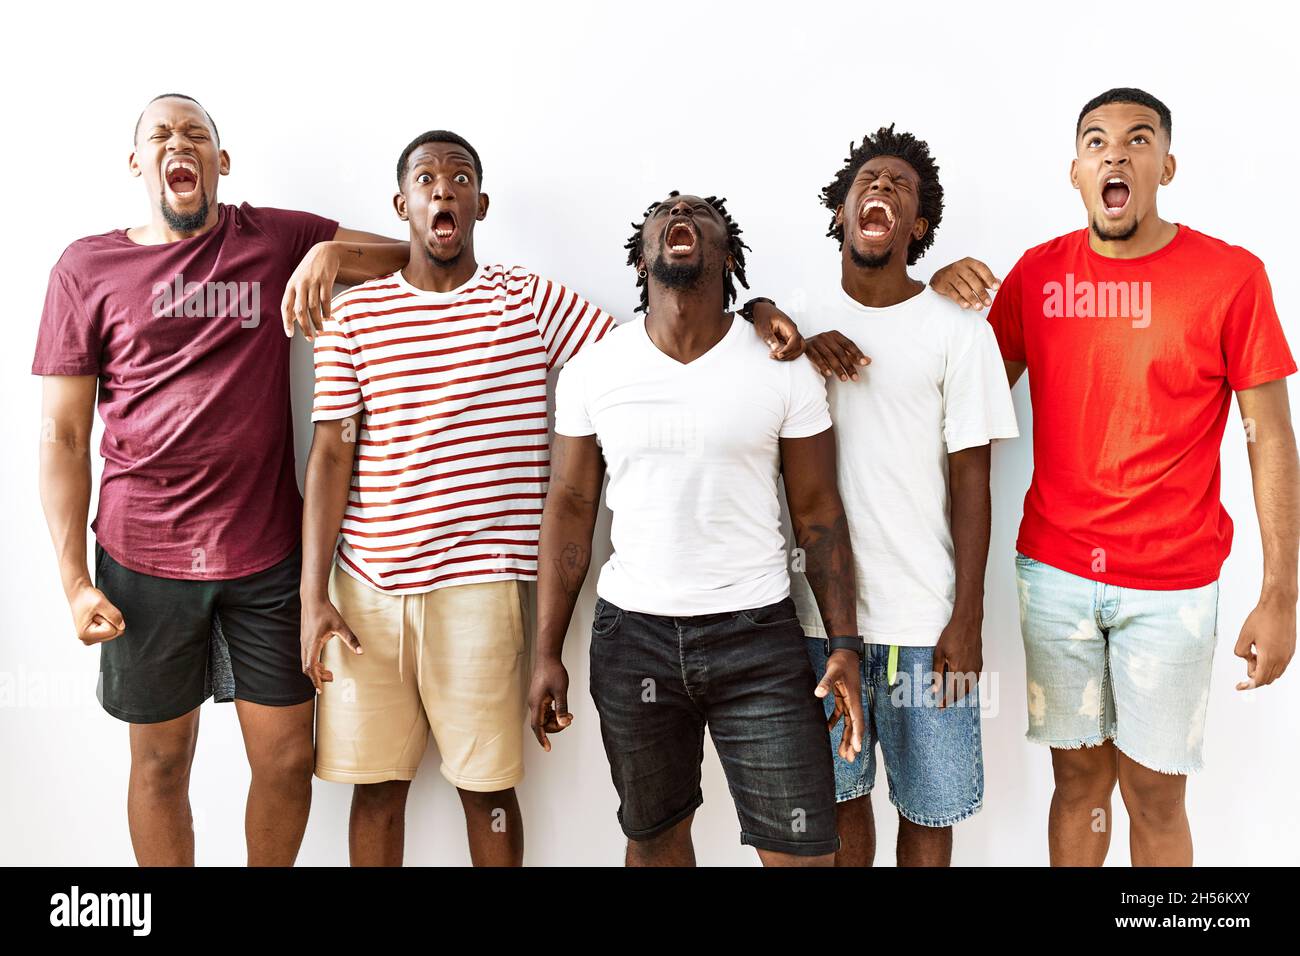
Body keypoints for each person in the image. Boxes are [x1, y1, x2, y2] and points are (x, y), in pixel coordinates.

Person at [300, 139, 804, 866]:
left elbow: (657, 339)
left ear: (481, 205)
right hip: (365, 593)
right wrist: (314, 594)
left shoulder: (529, 300)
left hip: (481, 583)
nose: (445, 190)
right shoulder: (353, 317)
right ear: (402, 204)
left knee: (488, 789)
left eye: (462, 179)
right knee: (375, 790)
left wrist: (754, 308)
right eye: (427, 180)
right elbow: (330, 456)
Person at [33, 93, 411, 865]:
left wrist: (335, 254)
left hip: (268, 554)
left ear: (220, 161)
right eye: (161, 134)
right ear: (138, 162)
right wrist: (74, 579)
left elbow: (412, 258)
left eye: (197, 133)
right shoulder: (86, 267)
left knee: (283, 761)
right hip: (141, 561)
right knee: (163, 764)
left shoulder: (274, 237)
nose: (181, 142)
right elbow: (66, 436)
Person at [935, 87, 1298, 866]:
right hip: (1056, 575)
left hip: (1172, 581)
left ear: (1166, 164)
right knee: (1078, 783)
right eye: (1097, 142)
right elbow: (965, 408)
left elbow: (1269, 435)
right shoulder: (1038, 277)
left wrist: (1280, 595)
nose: (1116, 154)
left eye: (1138, 140)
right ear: (1076, 172)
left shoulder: (1231, 277)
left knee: (1154, 792)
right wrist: (932, 301)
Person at [528, 191, 866, 866]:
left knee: (803, 851)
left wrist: (844, 643)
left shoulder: (782, 366)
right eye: (664, 211)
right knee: (654, 841)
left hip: (758, 639)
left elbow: (818, 511)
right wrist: (546, 651)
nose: (679, 212)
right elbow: (569, 506)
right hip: (634, 641)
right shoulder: (596, 369)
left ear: (728, 255)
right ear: (642, 255)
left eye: (700, 212)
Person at [792, 125, 1018, 866]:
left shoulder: (957, 329)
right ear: (840, 211)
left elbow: (973, 479)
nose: (882, 189)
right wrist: (779, 322)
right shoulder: (796, 321)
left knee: (930, 807)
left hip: (928, 625)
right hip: (824, 623)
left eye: (900, 187)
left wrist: (968, 617)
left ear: (917, 226)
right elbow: (736, 327)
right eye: (868, 181)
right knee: (840, 801)